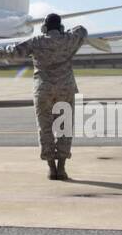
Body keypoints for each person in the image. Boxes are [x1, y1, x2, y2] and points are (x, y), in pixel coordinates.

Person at [7, 13, 87, 181]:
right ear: (61, 27)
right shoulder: (70, 39)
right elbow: (82, 30)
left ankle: (51, 168)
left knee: (45, 128)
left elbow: (14, 52)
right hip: (65, 89)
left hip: (43, 90)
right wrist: (64, 33)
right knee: (65, 128)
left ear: (44, 28)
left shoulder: (36, 41)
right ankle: (62, 168)